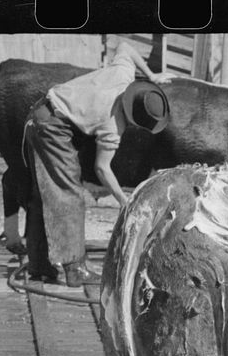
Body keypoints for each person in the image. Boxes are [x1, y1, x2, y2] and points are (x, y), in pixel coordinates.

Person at [22, 40, 173, 286]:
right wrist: (124, 200)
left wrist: (151, 74)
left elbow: (125, 46)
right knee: (68, 193)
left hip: (41, 112)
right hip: (52, 128)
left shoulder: (122, 75)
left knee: (45, 192)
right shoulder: (112, 125)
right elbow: (102, 168)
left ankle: (40, 264)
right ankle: (75, 268)